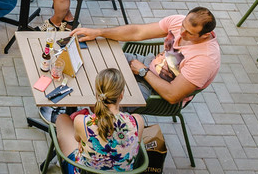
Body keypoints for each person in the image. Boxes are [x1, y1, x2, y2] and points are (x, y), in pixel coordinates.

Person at [72, 7, 220, 106]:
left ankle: (87, 125)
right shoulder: (178, 21)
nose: (181, 33)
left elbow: (172, 95)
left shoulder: (204, 59)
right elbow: (137, 32)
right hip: (148, 64)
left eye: (189, 33)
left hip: (158, 91)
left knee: (103, 102)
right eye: (183, 26)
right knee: (96, 57)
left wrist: (143, 72)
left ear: (205, 35)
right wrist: (98, 32)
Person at [49, 67, 145, 174]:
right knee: (96, 150)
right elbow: (134, 149)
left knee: (62, 120)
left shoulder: (83, 122)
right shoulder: (137, 121)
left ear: (97, 93)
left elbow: (78, 142)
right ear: (121, 95)